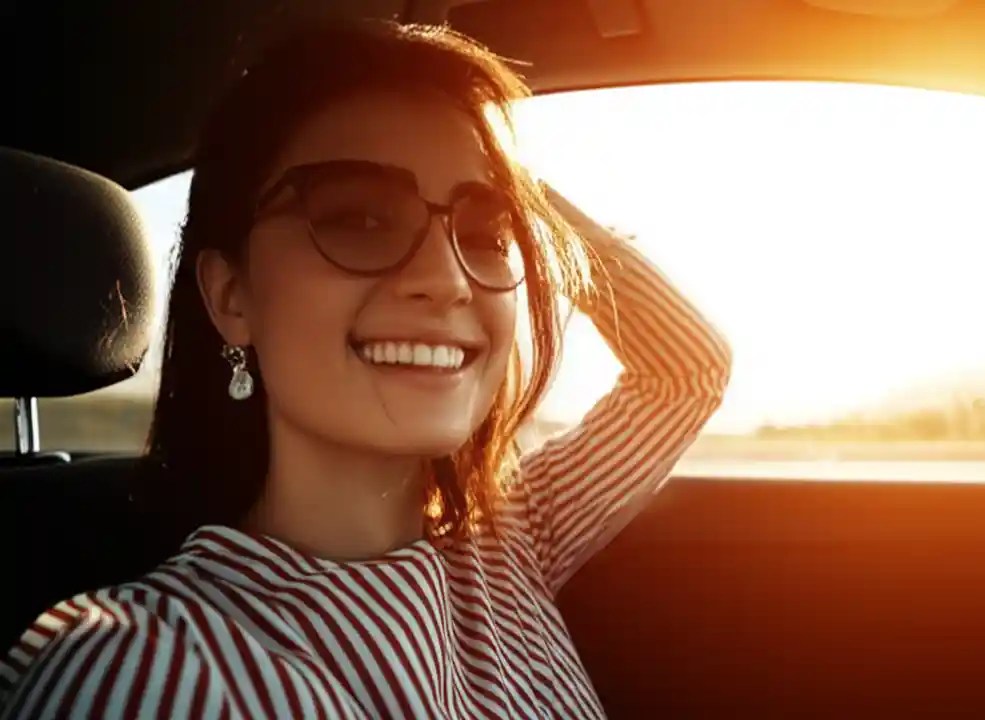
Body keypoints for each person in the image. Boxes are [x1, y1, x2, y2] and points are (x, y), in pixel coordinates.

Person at [0, 20, 730, 719]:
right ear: (231, 296)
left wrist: (525, 196)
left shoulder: (511, 540)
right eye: (358, 217)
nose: (449, 280)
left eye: (487, 235)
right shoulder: (136, 671)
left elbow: (688, 372)